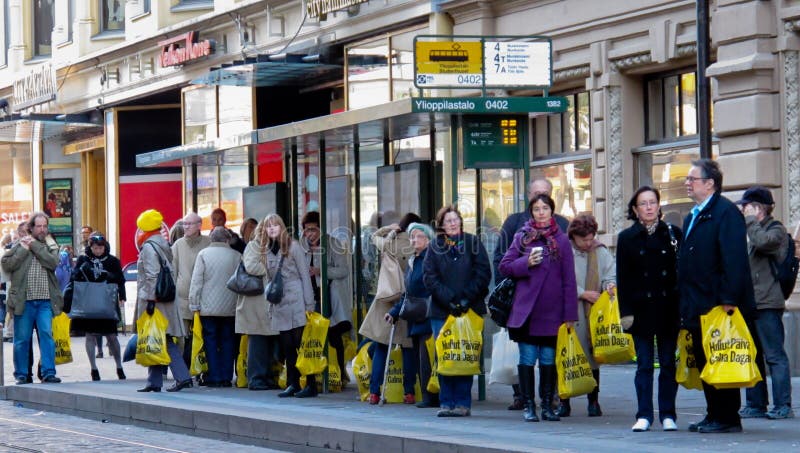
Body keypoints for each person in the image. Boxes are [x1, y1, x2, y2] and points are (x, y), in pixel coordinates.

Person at [679, 159, 755, 433]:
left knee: (722, 358)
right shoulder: (693, 215)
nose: (687, 183)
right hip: (696, 302)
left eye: (692, 179)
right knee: (704, 360)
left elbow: (734, 259)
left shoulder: (725, 212)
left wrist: (729, 298)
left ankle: (728, 417)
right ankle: (713, 413)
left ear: (710, 183)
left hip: (718, 303)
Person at [499, 194, 577, 423]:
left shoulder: (561, 240)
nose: (541, 212)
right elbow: (505, 266)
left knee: (548, 359)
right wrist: (526, 263)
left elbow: (569, 280)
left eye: (545, 208)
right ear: (531, 212)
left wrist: (570, 314)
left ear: (552, 211)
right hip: (527, 311)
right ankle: (528, 405)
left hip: (552, 311)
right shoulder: (522, 237)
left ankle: (547, 406)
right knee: (527, 357)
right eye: (536, 209)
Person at [616, 186, 681, 432]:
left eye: (652, 202)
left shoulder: (673, 234)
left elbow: (680, 274)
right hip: (641, 310)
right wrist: (626, 313)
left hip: (668, 308)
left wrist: (683, 309)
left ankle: (668, 414)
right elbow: (623, 279)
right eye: (643, 203)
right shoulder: (626, 238)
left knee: (667, 363)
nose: (649, 207)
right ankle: (644, 414)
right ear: (635, 209)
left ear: (659, 206)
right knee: (643, 364)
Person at [424, 205, 491, 417]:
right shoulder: (435, 247)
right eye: (448, 221)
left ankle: (463, 403)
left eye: (456, 220)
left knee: (464, 355)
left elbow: (483, 273)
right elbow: (429, 277)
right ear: (442, 225)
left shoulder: (472, 243)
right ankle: (446, 402)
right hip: (442, 311)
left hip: (469, 310)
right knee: (445, 355)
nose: (453, 223)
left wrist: (465, 299)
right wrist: (450, 299)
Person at [735, 186, 794, 420]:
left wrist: (750, 221)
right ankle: (755, 404)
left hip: (769, 302)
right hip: (750, 302)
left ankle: (783, 405)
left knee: (774, 356)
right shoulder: (750, 230)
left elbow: (763, 243)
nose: (743, 210)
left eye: (747, 206)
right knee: (753, 355)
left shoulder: (776, 230)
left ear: (759, 208)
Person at [244, 213, 316, 398]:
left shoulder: (294, 247)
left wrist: (309, 303)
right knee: (287, 346)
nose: (272, 229)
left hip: (296, 299)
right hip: (279, 302)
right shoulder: (266, 249)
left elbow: (304, 276)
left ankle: (310, 384)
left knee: (301, 344)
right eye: (268, 226)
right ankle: (293, 383)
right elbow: (269, 278)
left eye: (275, 225)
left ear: (281, 226)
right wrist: (269, 305)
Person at [557, 214, 616, 417]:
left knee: (592, 357)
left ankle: (594, 401)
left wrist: (609, 284)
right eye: (584, 240)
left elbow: (611, 272)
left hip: (593, 312)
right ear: (574, 237)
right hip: (570, 311)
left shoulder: (599, 251)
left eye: (591, 238)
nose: (589, 243)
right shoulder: (563, 251)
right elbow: (558, 279)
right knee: (568, 355)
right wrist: (581, 292)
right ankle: (564, 401)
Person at [360, 213, 421, 404]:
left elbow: (373, 236)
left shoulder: (388, 242)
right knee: (408, 348)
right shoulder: (415, 244)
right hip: (409, 300)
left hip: (387, 299)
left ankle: (374, 392)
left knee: (381, 347)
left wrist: (389, 229)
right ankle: (408, 392)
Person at [1, 212, 63, 384]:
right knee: (21, 340)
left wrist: (34, 246)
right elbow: (7, 263)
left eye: (45, 226)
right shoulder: (21, 244)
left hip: (44, 301)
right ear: (31, 227)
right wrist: (24, 249)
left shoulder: (50, 245)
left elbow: (52, 262)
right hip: (24, 300)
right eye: (39, 226)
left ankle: (48, 372)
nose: (42, 230)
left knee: (46, 336)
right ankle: (21, 374)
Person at [135, 209, 193, 393]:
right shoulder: (162, 244)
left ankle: (182, 377)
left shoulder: (148, 248)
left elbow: (152, 275)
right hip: (165, 300)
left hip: (155, 301)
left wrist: (150, 300)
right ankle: (154, 381)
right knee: (155, 338)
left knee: (162, 338)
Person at [299, 211, 353, 386]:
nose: (310, 234)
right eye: (307, 230)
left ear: (321, 229)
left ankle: (339, 372)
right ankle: (314, 373)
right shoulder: (301, 246)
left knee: (333, 334)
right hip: (309, 296)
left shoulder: (333, 244)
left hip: (330, 296)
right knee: (312, 335)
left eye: (314, 229)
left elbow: (343, 270)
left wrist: (321, 271)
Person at [67, 233, 127, 381]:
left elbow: (121, 279)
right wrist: (82, 270)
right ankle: (93, 368)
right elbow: (73, 278)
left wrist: (122, 296)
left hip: (107, 302)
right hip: (88, 302)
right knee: (90, 335)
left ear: (104, 247)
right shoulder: (83, 259)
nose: (98, 251)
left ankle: (119, 366)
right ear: (90, 247)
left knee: (112, 336)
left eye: (100, 247)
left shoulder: (112, 261)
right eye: (95, 248)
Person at [189, 227, 241, 387]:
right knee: (228, 341)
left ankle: (213, 376)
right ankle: (226, 377)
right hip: (231, 308)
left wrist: (194, 304)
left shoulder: (203, 254)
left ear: (212, 239)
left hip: (208, 308)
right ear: (227, 240)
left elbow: (197, 281)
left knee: (210, 341)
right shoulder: (237, 256)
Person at [239, 217, 282, 391]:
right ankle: (256, 378)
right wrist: (271, 269)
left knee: (270, 338)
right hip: (257, 300)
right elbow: (250, 266)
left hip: (270, 298)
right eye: (269, 227)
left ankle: (268, 376)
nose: (272, 230)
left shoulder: (278, 245)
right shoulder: (254, 245)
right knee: (258, 339)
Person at [402, 222, 438, 408]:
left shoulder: (429, 258)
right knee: (419, 356)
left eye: (418, 236)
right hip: (415, 313)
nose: (414, 239)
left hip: (428, 312)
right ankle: (427, 393)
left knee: (426, 357)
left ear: (428, 239)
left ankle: (430, 396)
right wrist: (394, 312)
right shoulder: (412, 260)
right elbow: (407, 290)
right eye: (412, 236)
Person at [171, 212, 211, 370]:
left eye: (189, 224)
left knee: (203, 336)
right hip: (182, 299)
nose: (185, 227)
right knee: (181, 337)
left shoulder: (209, 242)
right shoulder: (178, 245)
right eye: (184, 224)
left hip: (204, 299)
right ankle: (182, 372)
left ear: (199, 225)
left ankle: (201, 369)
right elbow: (173, 271)